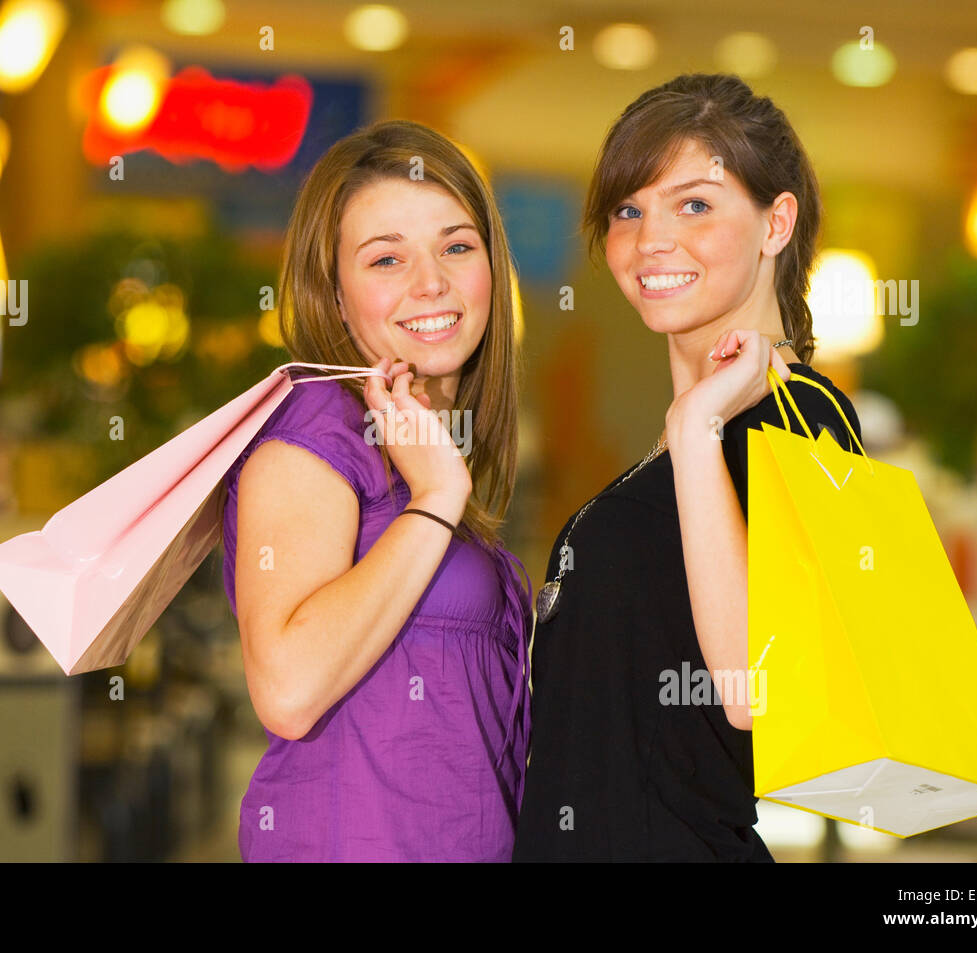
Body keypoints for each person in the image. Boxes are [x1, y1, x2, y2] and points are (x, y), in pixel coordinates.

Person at [513, 73, 865, 862]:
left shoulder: (800, 419)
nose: (650, 240)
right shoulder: (677, 447)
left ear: (777, 222)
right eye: (629, 210)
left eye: (695, 204)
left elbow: (755, 689)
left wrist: (697, 422)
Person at [220, 119, 531, 861]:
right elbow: (289, 688)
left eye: (458, 245)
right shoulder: (319, 426)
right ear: (333, 293)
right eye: (386, 258)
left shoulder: (428, 451)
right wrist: (432, 501)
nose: (432, 282)